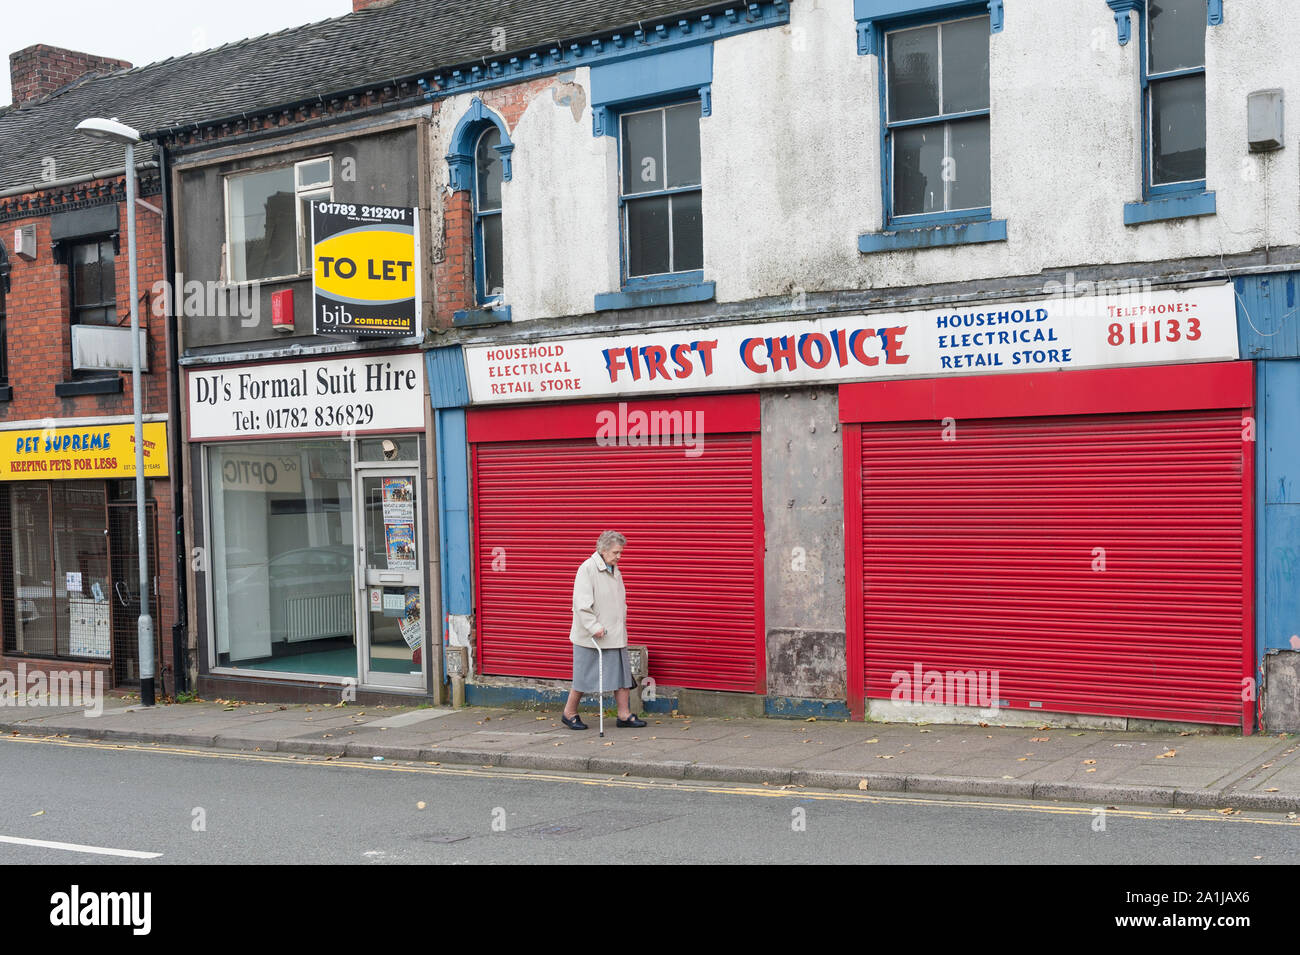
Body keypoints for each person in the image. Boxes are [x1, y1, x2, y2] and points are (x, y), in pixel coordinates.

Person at [561, 530, 646, 730]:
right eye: (616, 552)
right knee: (583, 677)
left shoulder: (614, 570)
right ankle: (569, 713)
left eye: (620, 552)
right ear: (603, 549)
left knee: (623, 676)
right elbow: (581, 605)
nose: (619, 556)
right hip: (592, 636)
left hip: (614, 634)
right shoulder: (587, 569)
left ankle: (624, 714)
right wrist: (594, 627)